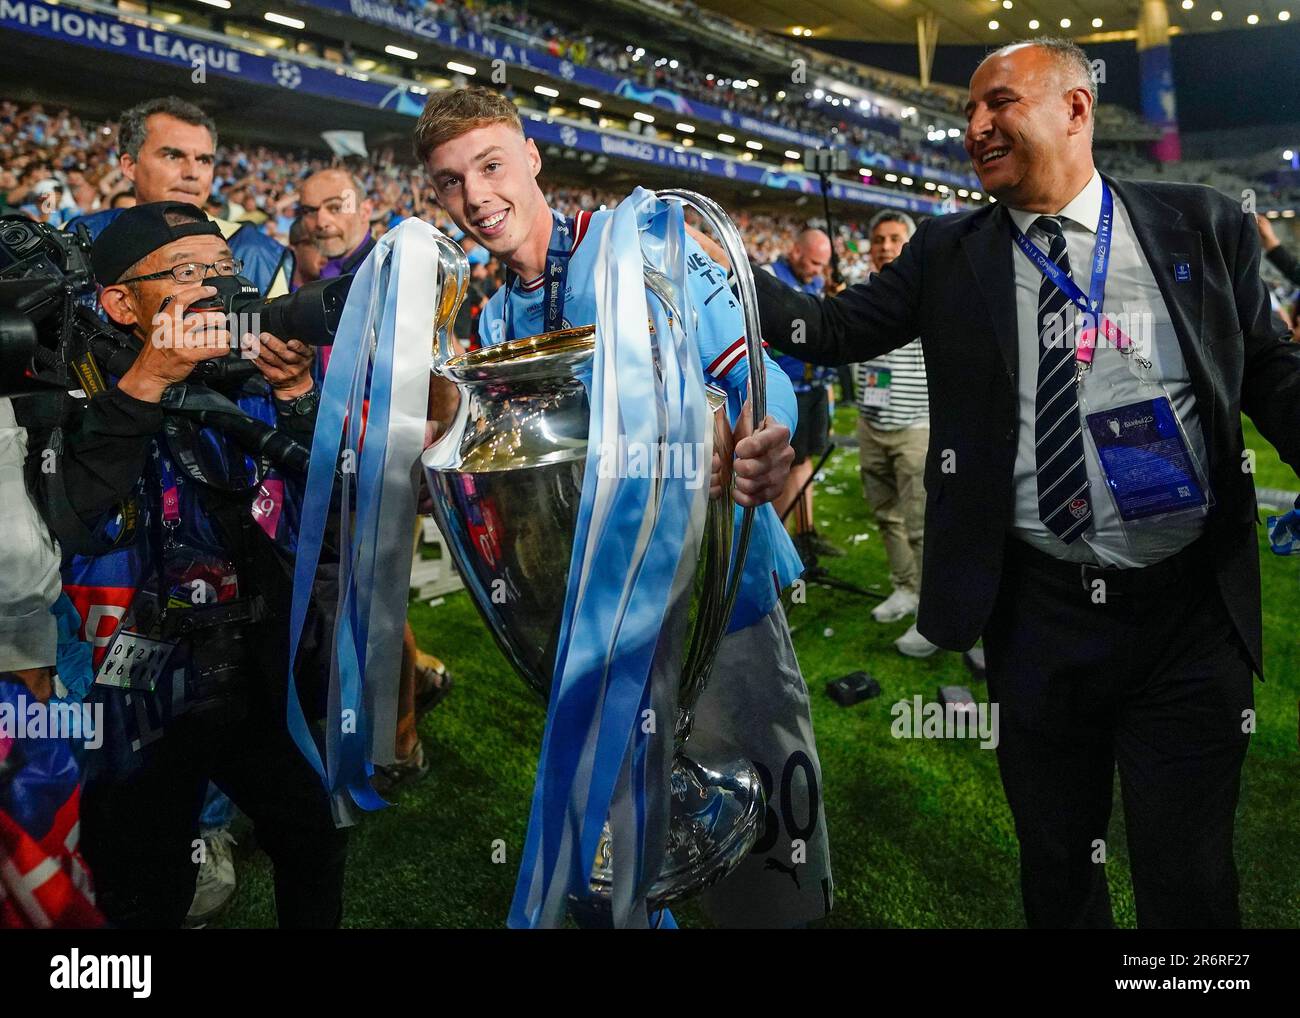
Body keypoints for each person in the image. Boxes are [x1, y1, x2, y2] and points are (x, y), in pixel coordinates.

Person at [695, 37, 1300, 929]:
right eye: (966, 114)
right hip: (1039, 614)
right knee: (1058, 863)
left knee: (1193, 878)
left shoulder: (1199, 223)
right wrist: (712, 253)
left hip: (1188, 622)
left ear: (1075, 109)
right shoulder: (949, 251)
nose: (974, 127)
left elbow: (1271, 371)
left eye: (999, 103)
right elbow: (825, 328)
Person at [416, 85, 832, 927]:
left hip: (719, 592)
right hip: (595, 615)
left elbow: (758, 376)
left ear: (532, 157)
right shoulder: (496, 317)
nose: (476, 197)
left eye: (490, 165)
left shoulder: (642, 239)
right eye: (451, 183)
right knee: (629, 846)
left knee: (771, 849)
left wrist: (764, 432)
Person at [24, 202, 347, 928]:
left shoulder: (242, 387)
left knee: (312, 839)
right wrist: (145, 385)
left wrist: (295, 398)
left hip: (248, 673)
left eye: (227, 270)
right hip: (128, 698)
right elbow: (74, 524)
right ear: (119, 302)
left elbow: (324, 529)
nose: (217, 288)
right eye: (189, 273)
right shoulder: (70, 390)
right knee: (145, 890)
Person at [297, 166, 453, 791]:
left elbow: (442, 360)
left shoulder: (396, 267)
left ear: (366, 206)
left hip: (389, 467)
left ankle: (401, 741)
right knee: (356, 603)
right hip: (335, 466)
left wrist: (434, 454)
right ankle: (412, 688)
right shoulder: (324, 272)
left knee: (375, 606)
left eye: (334, 206)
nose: (322, 221)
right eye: (311, 211)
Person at [68, 97, 291, 300]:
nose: (192, 172)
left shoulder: (258, 252)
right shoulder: (79, 234)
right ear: (129, 165)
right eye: (173, 156)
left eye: (204, 160)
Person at [852, 210, 938, 658]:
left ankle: (933, 615)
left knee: (923, 524)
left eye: (894, 238)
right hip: (871, 423)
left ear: (908, 244)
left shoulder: (929, 291)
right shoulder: (862, 291)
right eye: (878, 239)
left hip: (915, 426)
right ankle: (905, 588)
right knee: (886, 515)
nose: (885, 246)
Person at [763, 229, 843, 562]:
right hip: (784, 391)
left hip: (813, 389)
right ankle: (776, 545)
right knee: (783, 466)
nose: (816, 270)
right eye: (813, 262)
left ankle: (805, 534)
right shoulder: (767, 278)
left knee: (806, 459)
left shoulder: (815, 284)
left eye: (822, 265)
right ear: (795, 251)